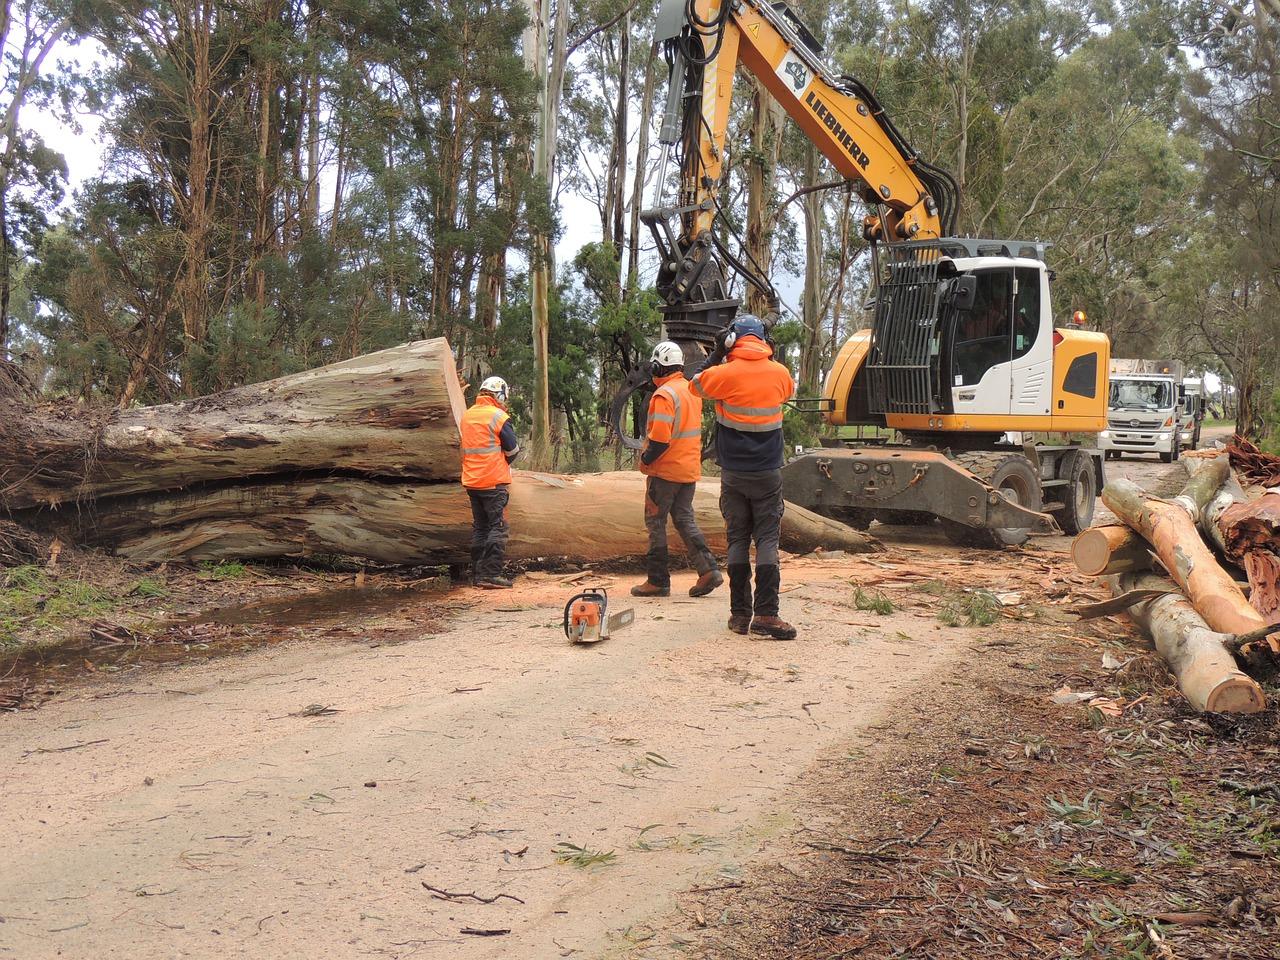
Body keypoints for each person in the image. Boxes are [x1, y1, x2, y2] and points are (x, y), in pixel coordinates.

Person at [689, 314, 797, 639]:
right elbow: (787, 392)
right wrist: (770, 357)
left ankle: (739, 616)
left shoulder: (723, 373)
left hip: (733, 475)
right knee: (766, 540)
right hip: (767, 474)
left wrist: (717, 355)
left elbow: (693, 382)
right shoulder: (780, 373)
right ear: (765, 341)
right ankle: (766, 615)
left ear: (732, 340)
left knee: (737, 540)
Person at [631, 341, 724, 600]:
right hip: (688, 470)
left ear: (659, 367)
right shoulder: (689, 390)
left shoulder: (664, 396)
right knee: (684, 520)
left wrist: (647, 461)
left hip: (665, 473)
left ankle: (657, 581)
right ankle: (708, 570)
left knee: (655, 523)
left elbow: (660, 438)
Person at [460, 376, 519, 589]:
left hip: (472, 482)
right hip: (493, 482)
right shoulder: (498, 416)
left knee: (481, 528)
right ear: (499, 394)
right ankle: (491, 574)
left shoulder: (467, 415)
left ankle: (477, 573)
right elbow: (512, 450)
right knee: (499, 527)